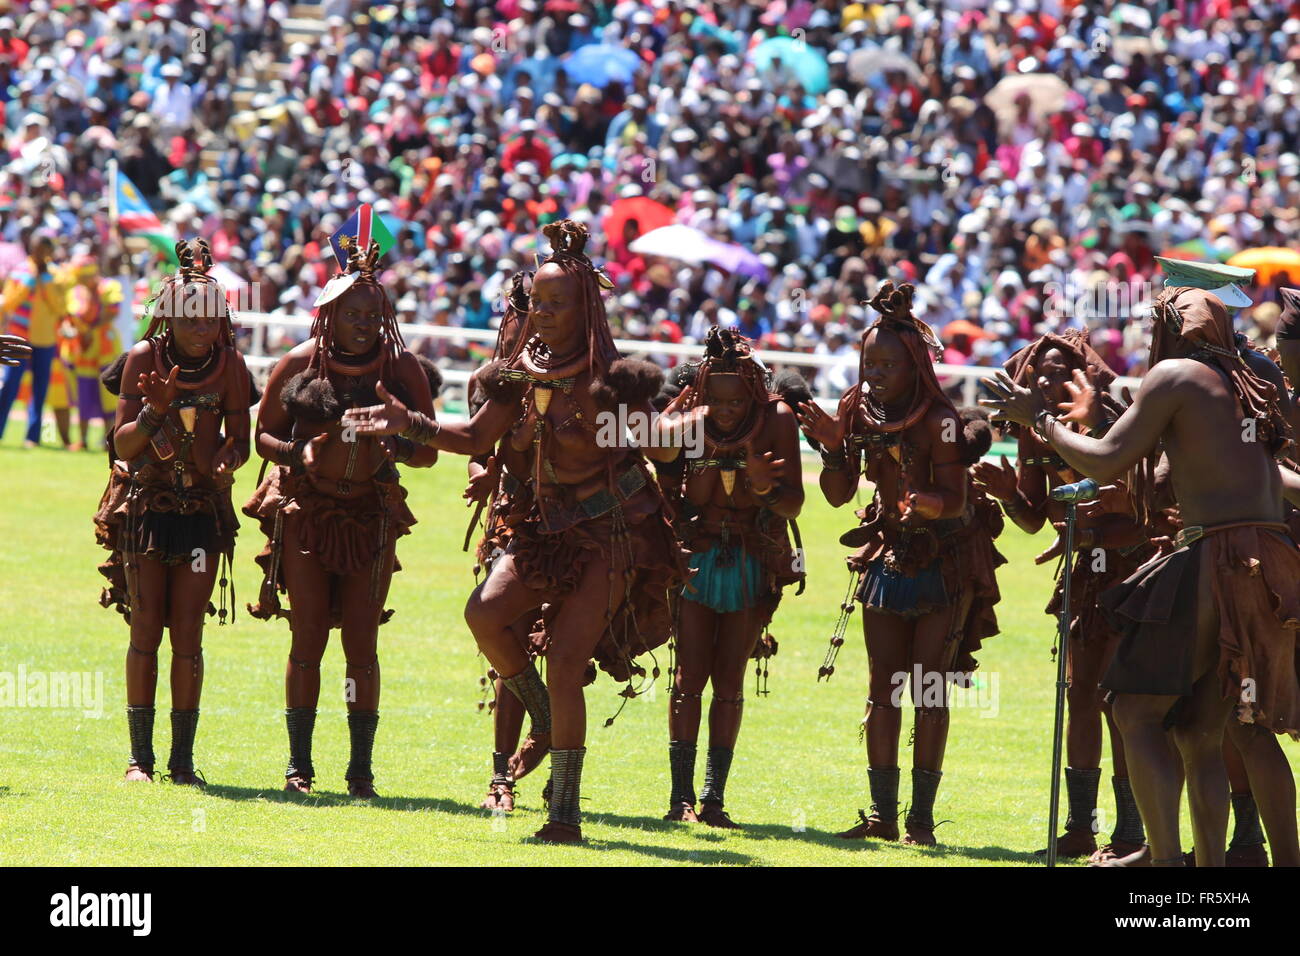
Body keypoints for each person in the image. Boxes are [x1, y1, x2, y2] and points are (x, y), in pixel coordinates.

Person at [344, 219, 687, 843]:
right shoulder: (519, 372)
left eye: (560, 304)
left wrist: (662, 430)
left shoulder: (613, 378)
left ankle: (565, 815)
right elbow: (476, 438)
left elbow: (662, 450)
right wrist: (408, 422)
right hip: (540, 535)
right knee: (484, 616)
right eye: (540, 302)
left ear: (588, 308)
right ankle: (545, 717)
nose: (546, 313)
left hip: (607, 537)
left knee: (564, 660)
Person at [981, 285, 1300, 868]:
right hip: (1273, 561)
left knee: (1132, 710)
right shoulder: (1253, 380)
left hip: (1217, 556)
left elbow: (1105, 460)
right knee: (1207, 732)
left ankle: (1165, 866)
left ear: (1171, 330)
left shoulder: (1176, 375)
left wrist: (1038, 419)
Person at [797, 281, 1004, 846]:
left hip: (944, 560)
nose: (878, 373)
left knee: (929, 687)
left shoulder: (938, 418)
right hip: (888, 554)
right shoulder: (856, 407)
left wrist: (929, 503)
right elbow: (838, 495)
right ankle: (882, 815)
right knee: (882, 687)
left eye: (890, 363)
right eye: (870, 362)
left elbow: (957, 499)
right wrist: (831, 447)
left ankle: (920, 822)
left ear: (916, 365)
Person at [244, 237, 438, 798]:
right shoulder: (299, 362)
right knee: (306, 637)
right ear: (328, 312)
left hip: (371, 515)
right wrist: (295, 454)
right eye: (352, 313)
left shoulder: (400, 367)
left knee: (361, 643)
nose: (363, 323)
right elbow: (262, 436)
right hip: (307, 511)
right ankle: (298, 767)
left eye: (373, 314)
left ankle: (360, 772)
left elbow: (428, 450)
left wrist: (391, 445)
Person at [972, 329, 1151, 863]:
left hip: (1132, 577)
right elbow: (1033, 516)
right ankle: (1079, 829)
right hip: (1084, 579)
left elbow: (1147, 516)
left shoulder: (1114, 423)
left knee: (1118, 703)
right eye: (1040, 374)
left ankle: (1130, 834)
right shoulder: (1033, 436)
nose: (1047, 382)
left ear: (1085, 375)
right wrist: (1008, 496)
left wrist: (1093, 531)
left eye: (1058, 372)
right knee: (1079, 698)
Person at [93, 238, 252, 785]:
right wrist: (156, 411)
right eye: (190, 320)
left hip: (202, 513)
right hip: (146, 509)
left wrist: (230, 457)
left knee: (188, 633)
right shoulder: (143, 359)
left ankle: (182, 761)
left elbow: (241, 439)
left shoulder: (231, 366)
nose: (202, 330)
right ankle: (140, 759)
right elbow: (123, 446)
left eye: (211, 320)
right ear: (168, 317)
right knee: (144, 629)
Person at [655, 327, 805, 828]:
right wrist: (680, 420)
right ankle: (680, 799)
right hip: (694, 559)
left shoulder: (777, 420)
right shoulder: (688, 417)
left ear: (754, 394)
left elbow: (795, 502)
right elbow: (654, 458)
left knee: (730, 681)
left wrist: (763, 489)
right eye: (715, 399)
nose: (724, 410)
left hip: (749, 561)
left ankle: (714, 799)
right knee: (686, 679)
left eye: (735, 400)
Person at [0, 232, 72, 446]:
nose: (42, 254)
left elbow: (60, 308)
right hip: (18, 335)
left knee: (40, 390)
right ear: (32, 249)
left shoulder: (56, 275)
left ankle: (32, 437)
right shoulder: (20, 270)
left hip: (45, 338)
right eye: (38, 249)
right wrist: (28, 284)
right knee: (10, 385)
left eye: (45, 250)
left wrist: (46, 282)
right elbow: (8, 304)